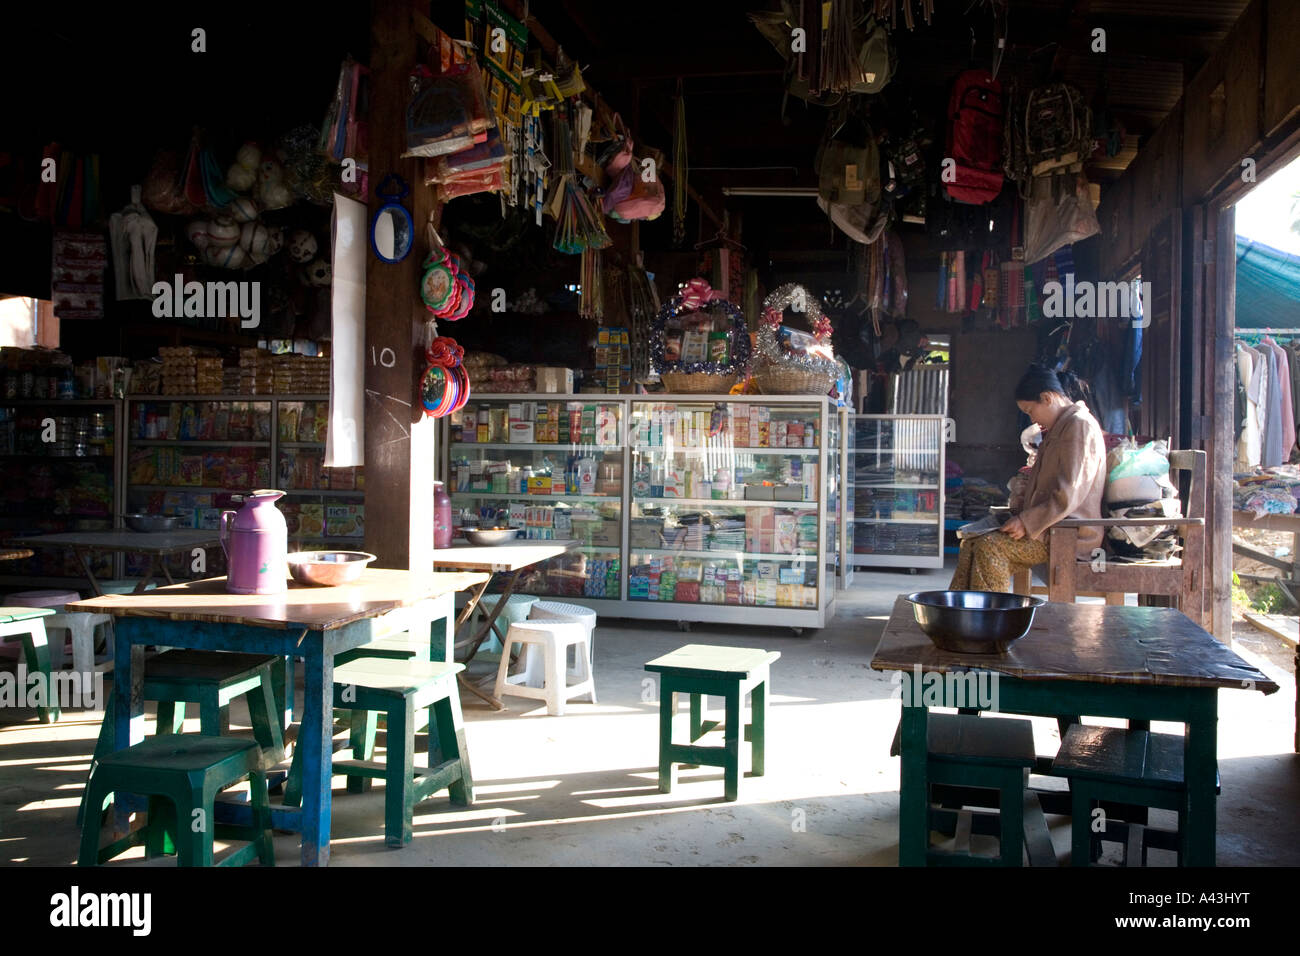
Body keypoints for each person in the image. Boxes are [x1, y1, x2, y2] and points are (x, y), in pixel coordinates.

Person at [950, 364, 1107, 592]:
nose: (1032, 419)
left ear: (1047, 398)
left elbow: (1068, 494)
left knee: (990, 548)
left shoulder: (1079, 427)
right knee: (970, 543)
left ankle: (992, 622)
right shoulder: (1059, 428)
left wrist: (1026, 521)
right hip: (1048, 530)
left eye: (1030, 411)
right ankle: (958, 614)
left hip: (1067, 536)